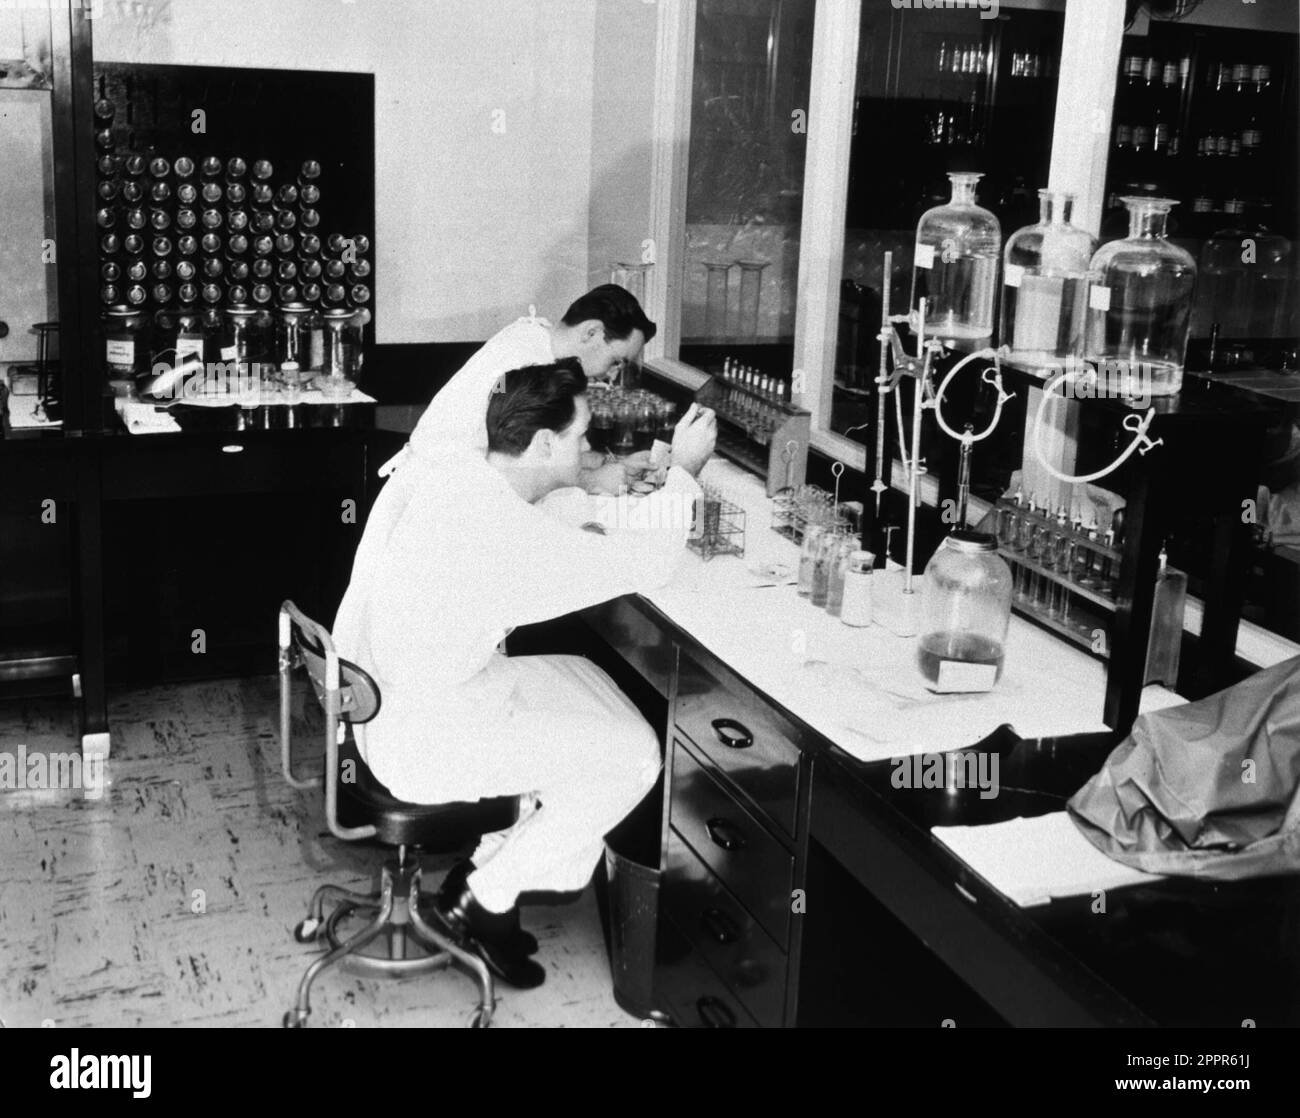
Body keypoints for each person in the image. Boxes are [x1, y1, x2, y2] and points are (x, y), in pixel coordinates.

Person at [332, 359, 716, 988]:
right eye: (581, 436)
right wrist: (684, 476)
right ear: (541, 443)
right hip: (427, 738)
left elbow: (547, 515)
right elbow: (649, 563)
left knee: (584, 676)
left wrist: (604, 489)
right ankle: (488, 894)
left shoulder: (463, 474)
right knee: (635, 757)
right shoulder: (505, 537)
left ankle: (493, 858)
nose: (590, 447)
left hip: (387, 698)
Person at [382, 284, 657, 493]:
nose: (612, 375)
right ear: (591, 332)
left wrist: (610, 465)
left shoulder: (533, 337)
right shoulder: (529, 366)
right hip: (443, 491)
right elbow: (512, 471)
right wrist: (593, 481)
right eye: (615, 361)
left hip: (447, 483)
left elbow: (542, 451)